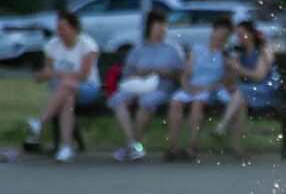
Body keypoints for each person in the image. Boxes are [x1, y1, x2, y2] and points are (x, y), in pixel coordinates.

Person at [109, 9, 186, 161]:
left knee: (147, 102)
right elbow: (127, 74)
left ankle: (132, 147)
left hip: (161, 88)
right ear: (150, 27)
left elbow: (180, 75)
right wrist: (142, 73)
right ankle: (134, 145)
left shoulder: (172, 50)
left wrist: (164, 72)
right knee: (118, 100)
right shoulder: (139, 49)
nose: (163, 29)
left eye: (164, 25)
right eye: (159, 25)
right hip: (138, 86)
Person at [27, 9, 99, 163]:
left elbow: (83, 75)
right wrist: (42, 75)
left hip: (88, 89)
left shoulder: (87, 45)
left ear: (74, 29)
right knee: (67, 100)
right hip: (63, 92)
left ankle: (40, 123)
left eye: (63, 28)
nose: (60, 32)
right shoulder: (52, 45)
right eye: (58, 28)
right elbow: (46, 75)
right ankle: (66, 148)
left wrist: (57, 74)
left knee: (66, 85)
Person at [165, 15, 234, 161]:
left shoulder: (226, 55)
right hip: (193, 87)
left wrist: (208, 87)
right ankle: (172, 146)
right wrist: (187, 87)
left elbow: (226, 80)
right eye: (219, 32)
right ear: (213, 31)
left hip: (212, 89)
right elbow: (186, 74)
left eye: (225, 34)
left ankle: (192, 146)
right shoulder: (197, 50)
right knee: (176, 103)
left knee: (197, 104)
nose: (221, 36)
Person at [216, 19, 276, 160]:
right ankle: (236, 147)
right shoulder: (240, 53)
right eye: (237, 35)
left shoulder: (263, 50)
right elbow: (237, 78)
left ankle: (222, 125)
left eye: (243, 34)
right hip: (247, 92)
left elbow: (259, 76)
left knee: (241, 93)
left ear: (252, 33)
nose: (240, 38)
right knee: (240, 102)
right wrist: (231, 68)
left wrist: (239, 68)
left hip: (265, 90)